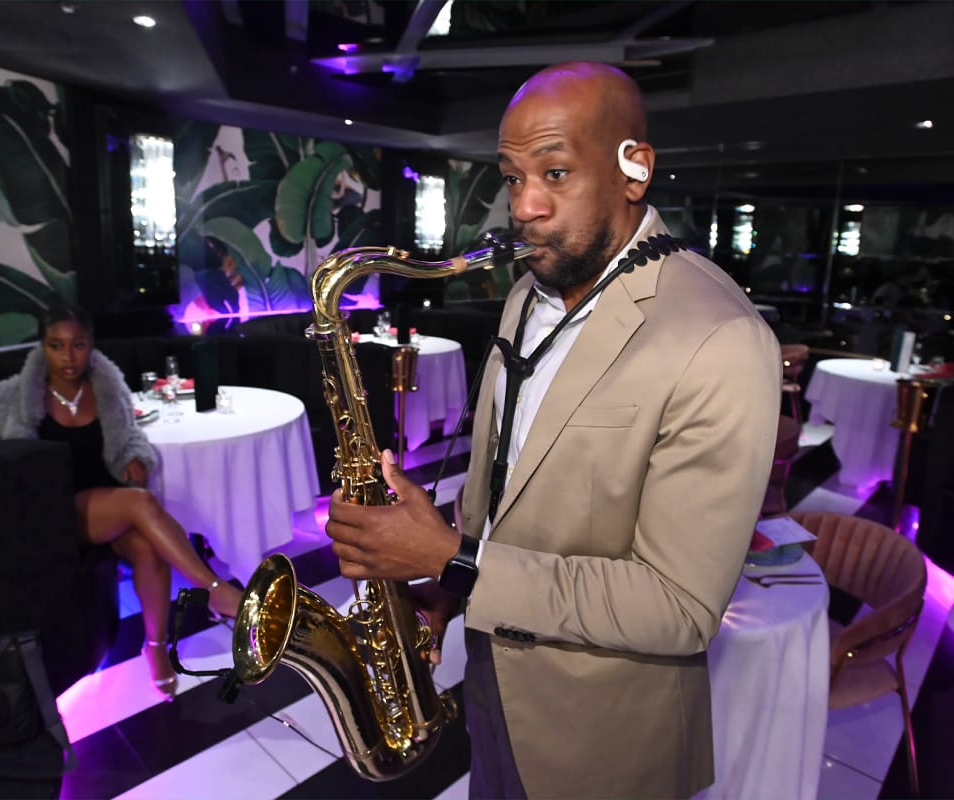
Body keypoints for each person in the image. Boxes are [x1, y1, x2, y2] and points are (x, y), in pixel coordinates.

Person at [324, 62, 781, 798]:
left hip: (602, 743)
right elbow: (515, 491)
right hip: (492, 690)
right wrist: (449, 588)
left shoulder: (721, 337)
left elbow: (679, 609)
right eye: (512, 177)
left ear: (636, 169)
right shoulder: (527, 295)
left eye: (557, 173)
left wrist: (455, 562)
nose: (525, 207)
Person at [0, 305, 244, 701]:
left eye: (79, 345)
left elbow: (131, 437)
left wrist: (134, 459)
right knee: (141, 504)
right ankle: (214, 588)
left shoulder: (107, 387)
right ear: (42, 347)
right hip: (52, 513)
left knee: (148, 548)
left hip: (108, 509)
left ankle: (154, 648)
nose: (69, 357)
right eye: (57, 345)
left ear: (90, 345)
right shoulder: (11, 397)